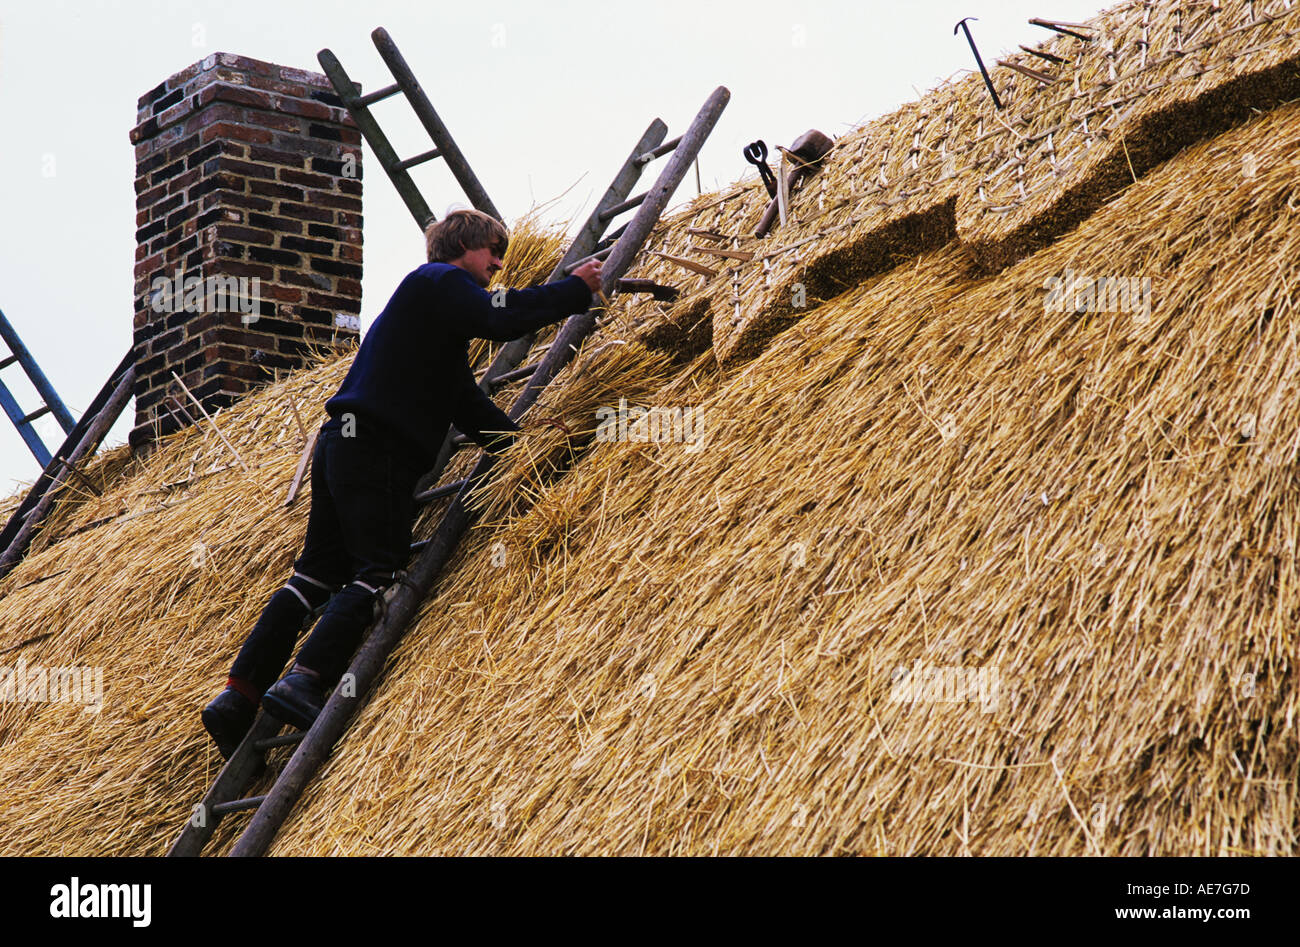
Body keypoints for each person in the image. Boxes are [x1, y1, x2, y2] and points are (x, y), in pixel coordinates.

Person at [201, 209, 602, 758]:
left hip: (342, 445)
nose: (499, 264)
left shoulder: (429, 328)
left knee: (315, 575)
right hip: (377, 451)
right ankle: (305, 678)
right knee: (379, 570)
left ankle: (237, 695)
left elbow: (466, 403)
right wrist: (572, 292)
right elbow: (500, 317)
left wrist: (525, 450)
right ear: (464, 247)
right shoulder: (438, 281)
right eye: (492, 251)